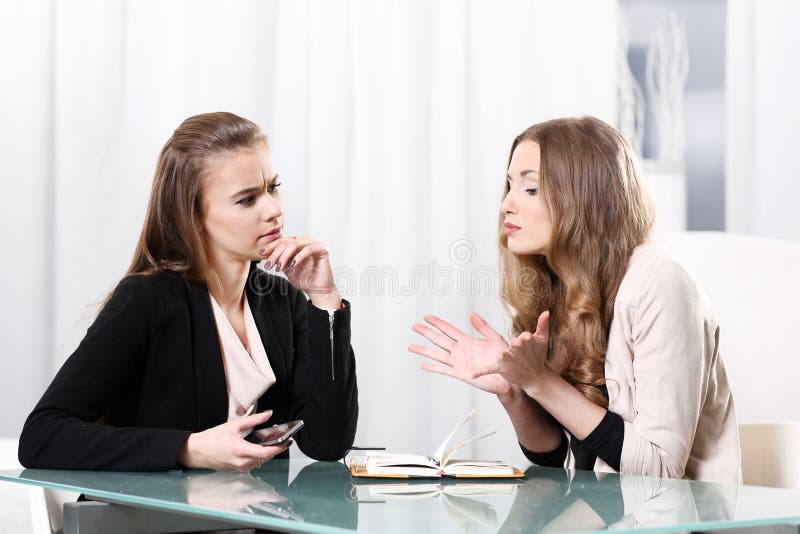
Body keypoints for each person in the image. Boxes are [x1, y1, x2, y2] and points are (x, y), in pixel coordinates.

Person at [19, 112, 358, 472]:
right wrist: (187, 448)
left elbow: (327, 443)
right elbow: (41, 436)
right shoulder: (147, 299)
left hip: (254, 520)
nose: (274, 210)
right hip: (160, 523)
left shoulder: (281, 301)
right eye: (247, 199)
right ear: (192, 215)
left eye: (273, 187)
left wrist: (324, 299)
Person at [409, 117, 739, 483]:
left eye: (530, 189)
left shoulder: (659, 279)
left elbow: (659, 471)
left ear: (584, 197)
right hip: (599, 515)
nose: (506, 204)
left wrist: (540, 381)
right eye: (509, 186)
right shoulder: (557, 287)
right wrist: (515, 391)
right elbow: (565, 464)